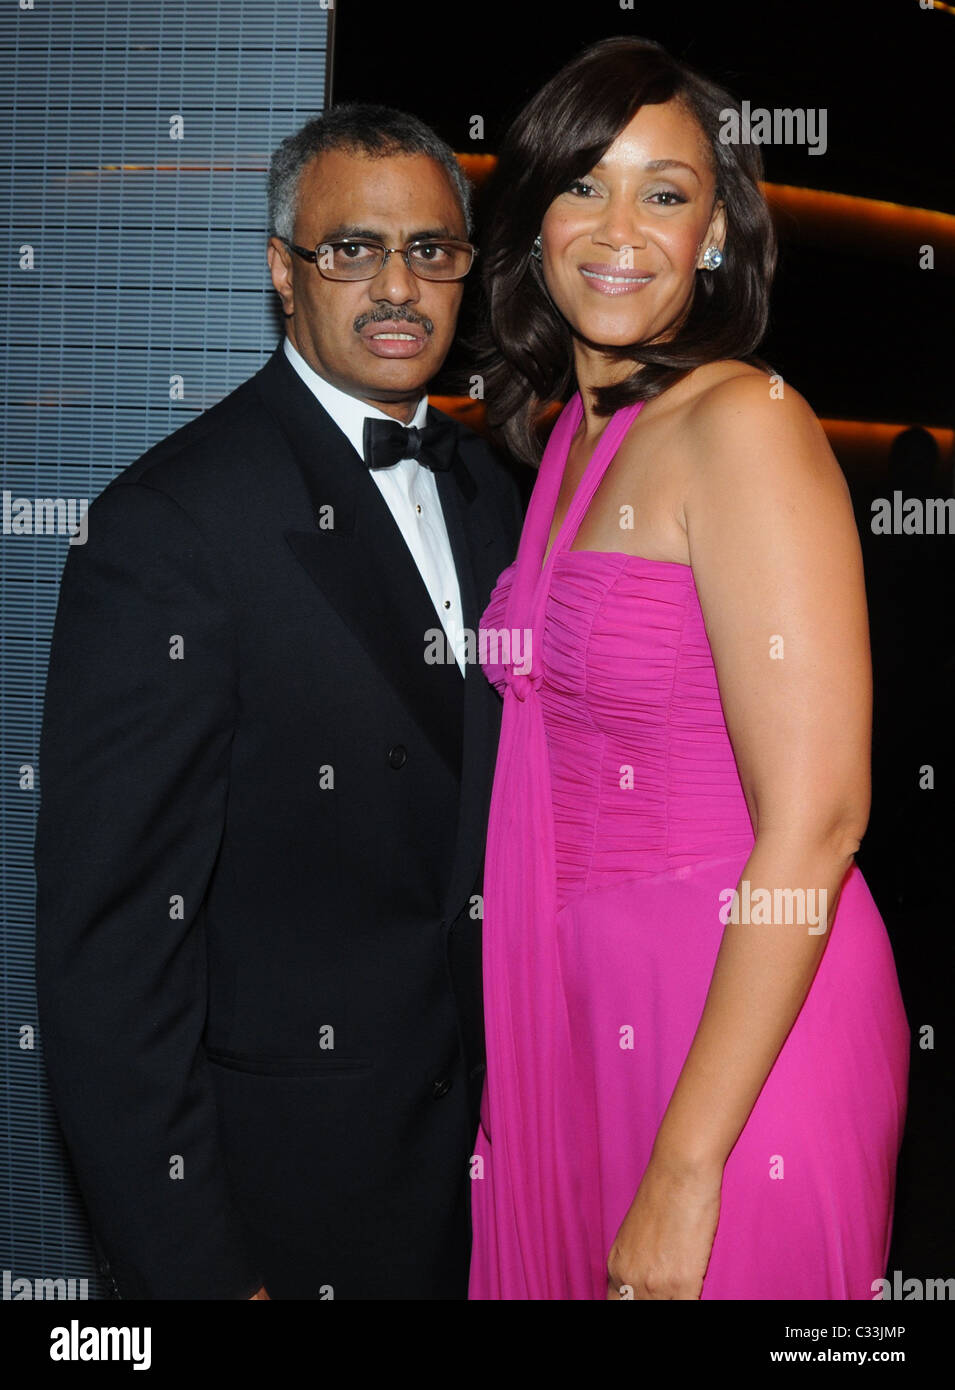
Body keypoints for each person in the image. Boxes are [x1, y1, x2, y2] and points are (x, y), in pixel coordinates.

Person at [34, 103, 523, 1300]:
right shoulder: (170, 528)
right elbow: (112, 961)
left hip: (500, 1177)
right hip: (289, 1205)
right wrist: (196, 1273)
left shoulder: (501, 496)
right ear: (281, 273)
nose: (396, 286)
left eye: (430, 250)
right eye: (351, 250)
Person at [468, 37, 909, 1300]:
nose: (620, 229)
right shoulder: (572, 437)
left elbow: (819, 818)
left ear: (717, 233)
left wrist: (687, 1161)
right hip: (578, 1012)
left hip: (740, 1031)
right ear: (536, 216)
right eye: (583, 185)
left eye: (665, 192)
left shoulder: (743, 425)